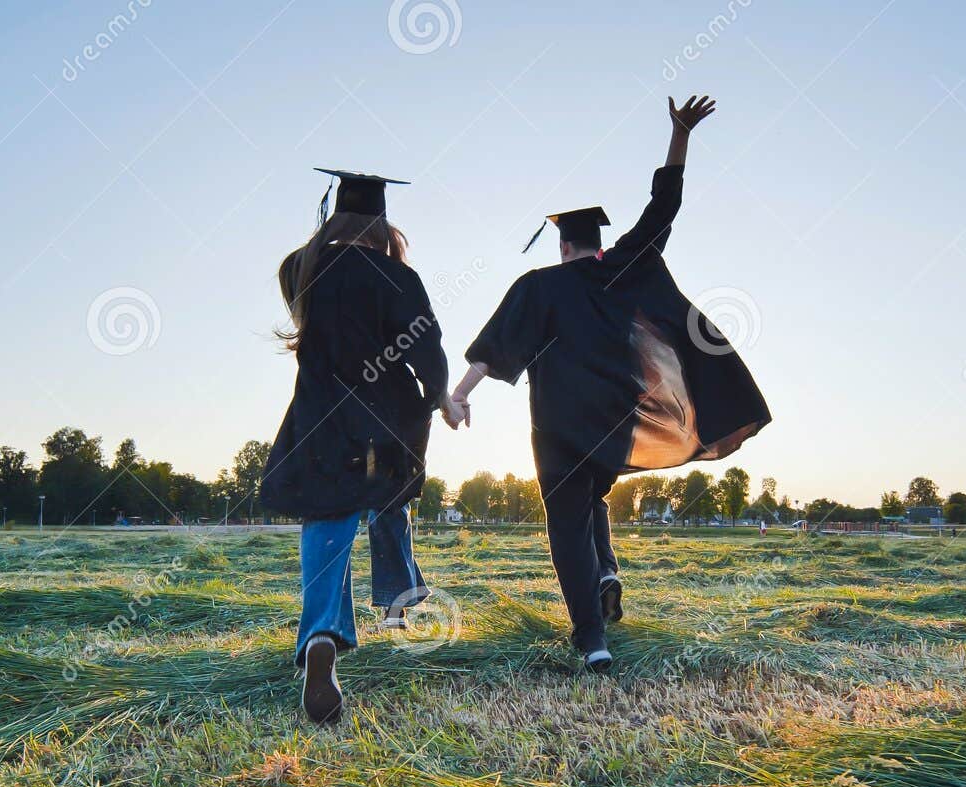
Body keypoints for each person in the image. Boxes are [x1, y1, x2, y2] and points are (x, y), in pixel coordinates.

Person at [445, 96, 770, 672]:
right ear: (597, 244)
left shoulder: (539, 285)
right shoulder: (624, 267)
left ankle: (591, 638)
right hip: (618, 423)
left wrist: (462, 393)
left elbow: (497, 347)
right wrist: (680, 136)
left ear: (562, 245)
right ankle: (609, 572)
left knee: (566, 521)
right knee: (595, 496)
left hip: (559, 427)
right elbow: (664, 207)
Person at [259, 169, 454, 724]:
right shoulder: (397, 278)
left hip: (321, 418)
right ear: (383, 222)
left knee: (328, 519)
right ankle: (397, 598)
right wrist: (442, 395)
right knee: (388, 494)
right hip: (385, 421)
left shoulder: (304, 270)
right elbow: (428, 350)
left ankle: (321, 636)